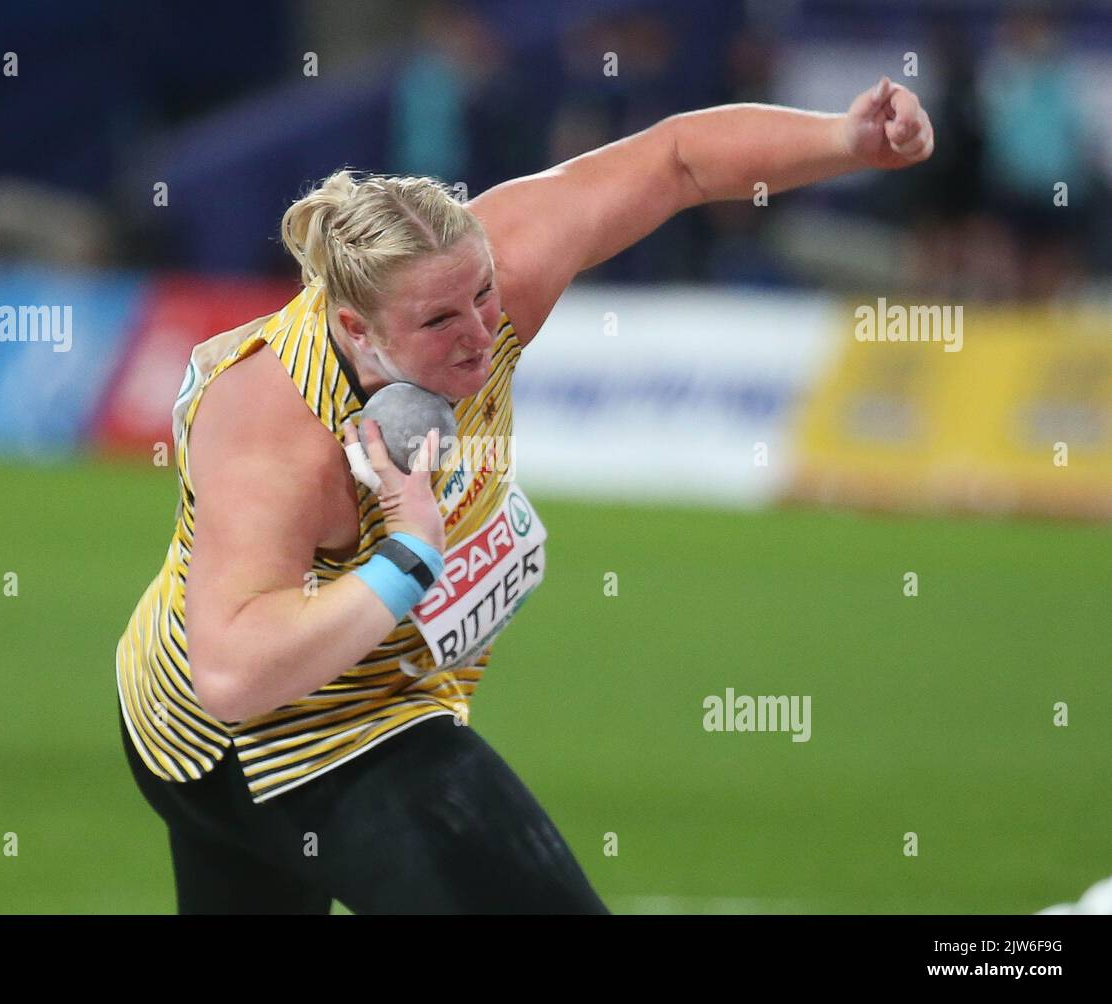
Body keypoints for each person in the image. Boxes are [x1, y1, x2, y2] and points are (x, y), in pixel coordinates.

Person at [115, 76, 934, 914]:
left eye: (482, 295)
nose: (481, 336)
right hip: (272, 736)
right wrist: (407, 557)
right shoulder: (279, 431)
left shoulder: (499, 268)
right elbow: (233, 673)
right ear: (357, 328)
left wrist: (844, 139)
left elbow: (678, 159)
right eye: (440, 321)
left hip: (366, 688)